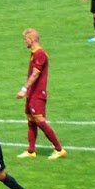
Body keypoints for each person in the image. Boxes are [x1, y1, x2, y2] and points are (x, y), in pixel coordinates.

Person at [16, 29, 67, 159]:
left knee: (39, 120)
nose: (25, 42)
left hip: (37, 93)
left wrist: (24, 89)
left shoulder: (40, 54)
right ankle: (31, 151)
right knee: (31, 120)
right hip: (32, 93)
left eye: (26, 39)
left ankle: (59, 149)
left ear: (32, 40)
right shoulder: (34, 53)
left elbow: (35, 74)